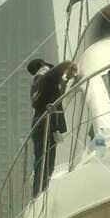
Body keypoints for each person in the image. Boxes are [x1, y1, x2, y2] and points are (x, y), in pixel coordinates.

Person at [28, 58, 75, 194]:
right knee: (43, 163)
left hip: (49, 126)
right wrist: (68, 67)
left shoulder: (44, 82)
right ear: (43, 66)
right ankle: (39, 193)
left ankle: (42, 191)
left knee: (47, 164)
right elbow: (56, 71)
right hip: (44, 125)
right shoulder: (42, 78)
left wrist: (66, 79)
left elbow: (58, 94)